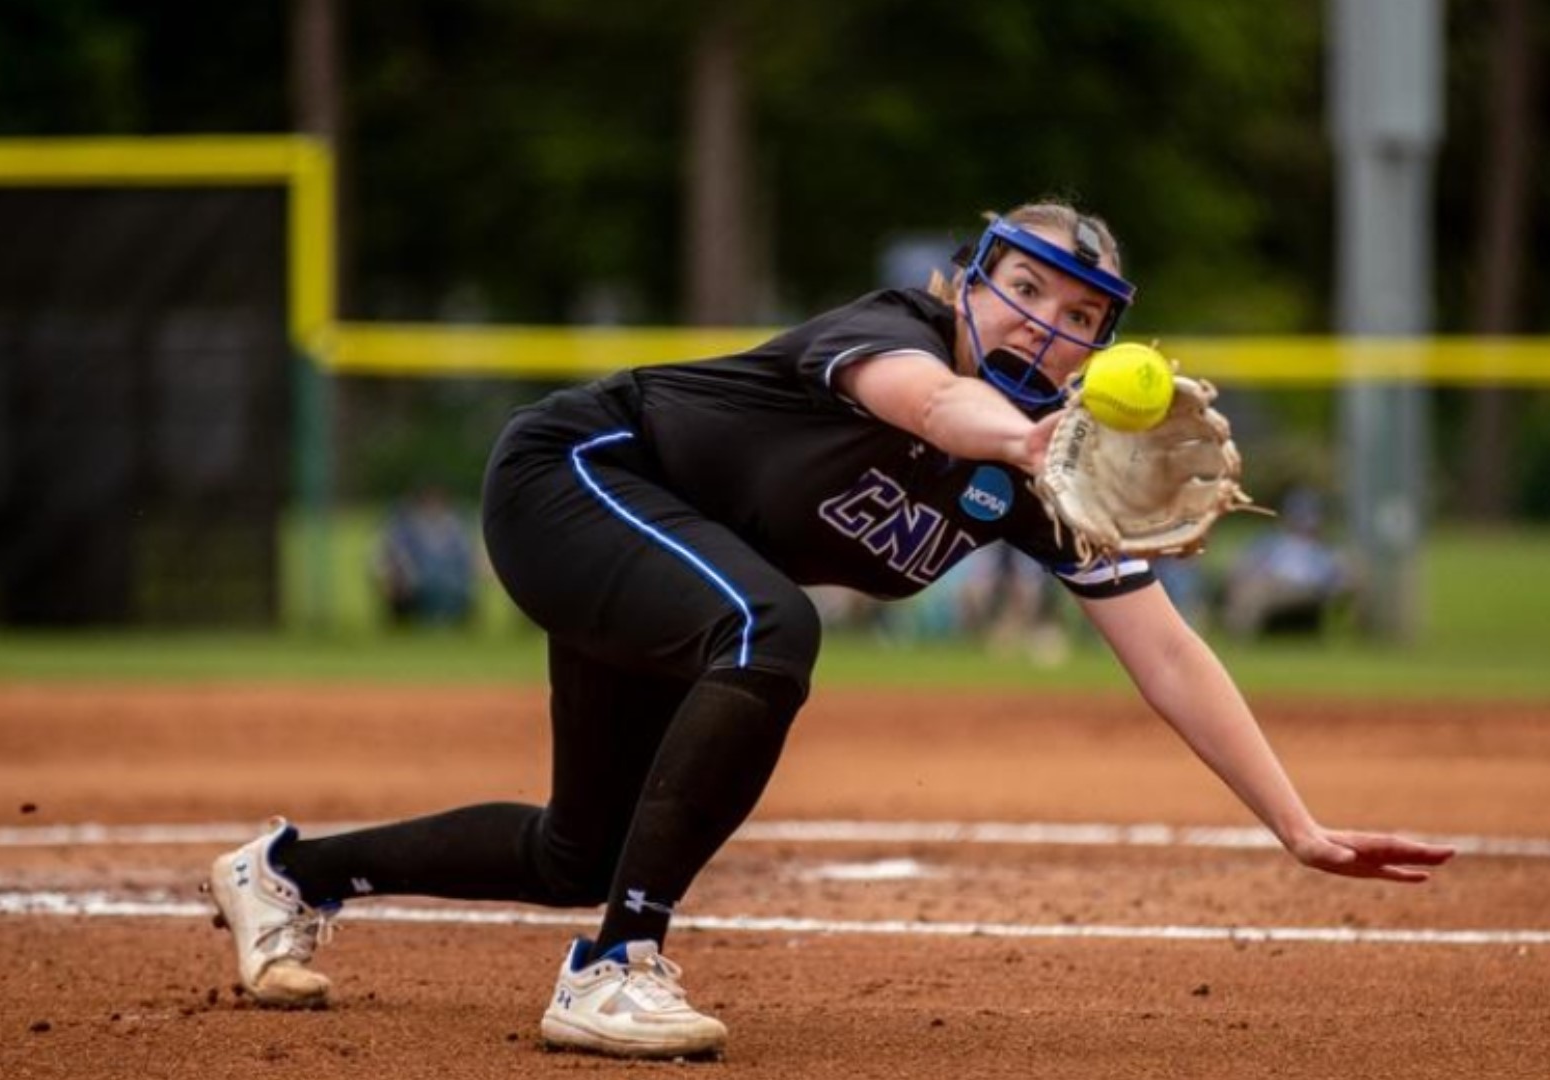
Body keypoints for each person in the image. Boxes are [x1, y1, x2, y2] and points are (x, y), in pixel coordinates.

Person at [204, 202, 1455, 1060]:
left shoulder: (1051, 480)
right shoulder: (897, 338)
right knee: (769, 625)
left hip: (670, 559)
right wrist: (1025, 437)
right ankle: (614, 970)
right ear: (968, 282)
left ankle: (289, 873)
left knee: (576, 846)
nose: (1043, 325)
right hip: (576, 475)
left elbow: (1168, 650)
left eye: (1078, 314)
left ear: (1102, 345)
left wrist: (1296, 824)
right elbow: (926, 400)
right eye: (1022, 289)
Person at [1220, 488, 1349, 639]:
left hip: (1304, 589)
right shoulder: (1272, 540)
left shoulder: (1322, 548)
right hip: (1270, 584)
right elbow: (1248, 562)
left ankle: (1239, 635)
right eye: (1298, 517)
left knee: (1256, 591)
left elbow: (1333, 575)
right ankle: (1238, 633)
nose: (1303, 523)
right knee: (1249, 587)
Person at [372, 484, 478, 627]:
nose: (432, 507)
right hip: (414, 586)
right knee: (395, 582)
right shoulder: (404, 528)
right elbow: (385, 556)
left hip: (451, 586)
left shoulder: (455, 528)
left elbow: (469, 557)